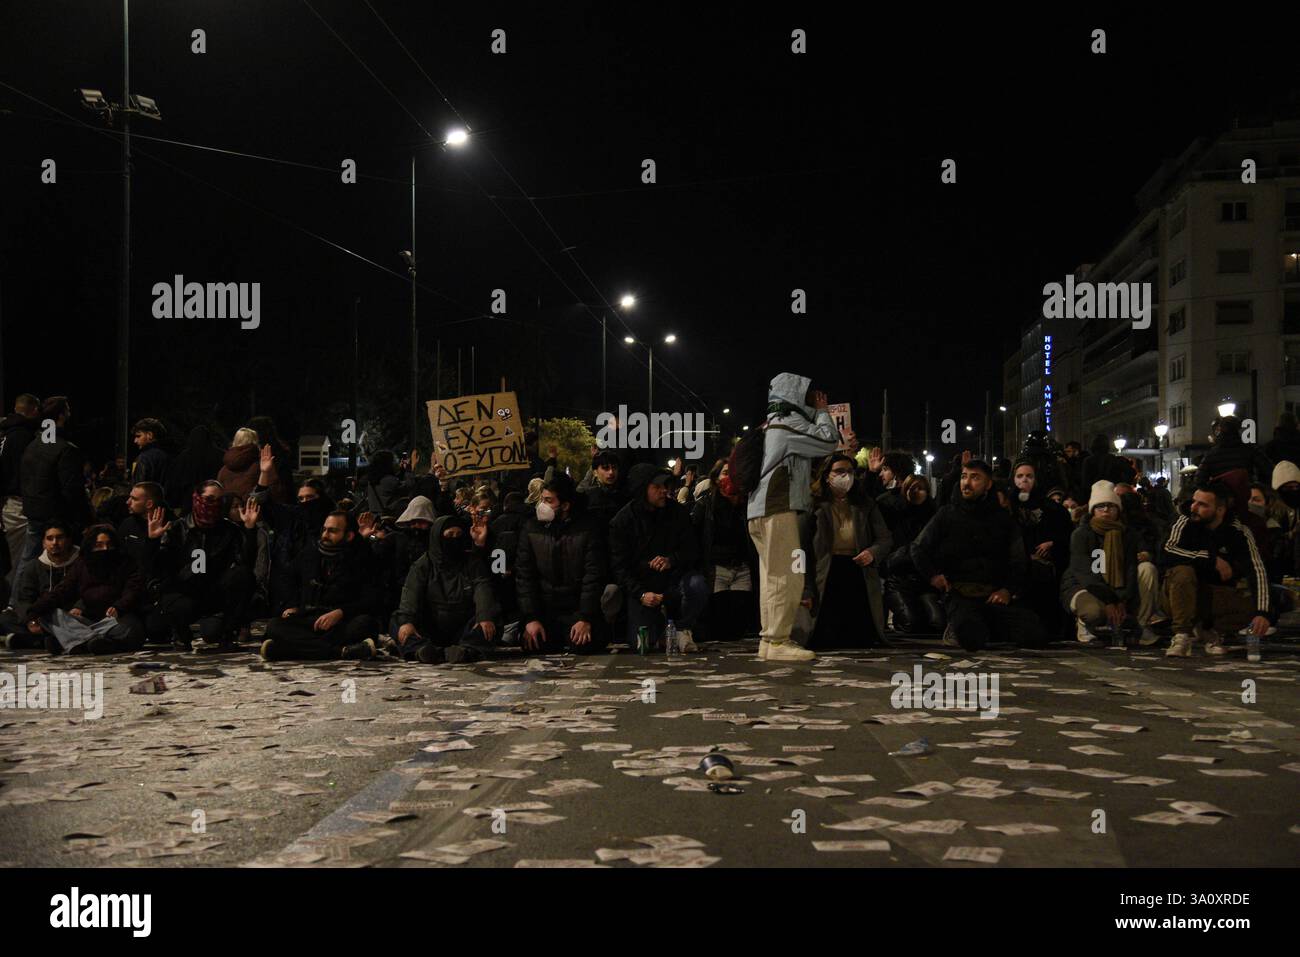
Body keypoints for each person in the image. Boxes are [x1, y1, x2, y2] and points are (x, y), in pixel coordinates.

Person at [747, 373, 841, 662]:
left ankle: (769, 639)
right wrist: (823, 414)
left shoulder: (771, 424)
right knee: (787, 576)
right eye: (808, 396)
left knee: (771, 575)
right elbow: (827, 442)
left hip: (761, 508)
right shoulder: (788, 424)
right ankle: (777, 641)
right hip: (778, 506)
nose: (814, 399)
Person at [911, 459, 1044, 652]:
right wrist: (933, 576)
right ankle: (959, 626)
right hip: (959, 593)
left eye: (975, 478)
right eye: (964, 476)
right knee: (971, 636)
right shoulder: (946, 515)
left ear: (988, 484)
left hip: (993, 595)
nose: (967, 482)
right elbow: (918, 548)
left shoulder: (1002, 519)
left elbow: (1018, 560)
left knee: (1034, 634)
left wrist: (1007, 590)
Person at [1161, 481, 1271, 657]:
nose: (1193, 507)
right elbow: (1167, 551)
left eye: (1202, 504)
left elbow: (1257, 569)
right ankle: (1182, 634)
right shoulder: (1184, 522)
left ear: (1220, 510)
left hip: (1214, 593)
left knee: (1269, 602)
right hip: (1178, 594)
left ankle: (1208, 630)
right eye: (1194, 501)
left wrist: (1262, 612)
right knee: (1183, 571)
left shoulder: (1239, 532)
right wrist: (1210, 559)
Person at [796, 454, 892, 649]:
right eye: (839, 471)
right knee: (826, 637)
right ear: (826, 475)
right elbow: (800, 547)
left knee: (859, 639)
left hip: (857, 569)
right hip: (826, 572)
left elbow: (885, 538)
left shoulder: (865, 504)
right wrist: (804, 588)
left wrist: (872, 552)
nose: (846, 476)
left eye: (850, 472)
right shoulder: (811, 505)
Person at [610, 464, 707, 653]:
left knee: (697, 585)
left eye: (666, 486)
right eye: (657, 487)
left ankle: (682, 627)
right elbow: (619, 567)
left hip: (673, 580)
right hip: (642, 585)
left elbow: (692, 550)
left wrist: (671, 560)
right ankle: (660, 629)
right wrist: (641, 594)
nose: (664, 491)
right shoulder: (622, 521)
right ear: (642, 489)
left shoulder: (677, 513)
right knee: (643, 643)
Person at [152, 480, 259, 649]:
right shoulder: (177, 528)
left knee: (242, 577)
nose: (214, 505)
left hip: (215, 592)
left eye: (219, 500)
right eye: (209, 499)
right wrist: (153, 541)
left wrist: (249, 529)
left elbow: (245, 564)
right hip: (184, 592)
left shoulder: (229, 530)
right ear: (197, 498)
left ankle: (228, 632)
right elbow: (157, 569)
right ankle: (180, 633)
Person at [261, 510, 381, 661]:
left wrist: (340, 612)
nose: (325, 535)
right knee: (274, 626)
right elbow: (288, 580)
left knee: (365, 624)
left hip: (342, 622)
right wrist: (292, 605)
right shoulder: (310, 554)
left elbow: (372, 599)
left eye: (332, 531)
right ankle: (342, 651)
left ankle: (285, 650)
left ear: (349, 536)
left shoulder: (362, 558)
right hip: (310, 619)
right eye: (324, 529)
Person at [515, 474, 608, 654]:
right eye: (542, 500)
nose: (542, 506)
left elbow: (593, 577)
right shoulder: (531, 529)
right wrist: (530, 618)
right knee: (534, 644)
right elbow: (525, 577)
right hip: (544, 610)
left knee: (584, 644)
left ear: (565, 505)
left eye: (548, 500)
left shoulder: (587, 529)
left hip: (576, 610)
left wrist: (585, 617)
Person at [391, 515, 500, 664]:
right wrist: (407, 621)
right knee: (398, 621)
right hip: (432, 625)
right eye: (449, 535)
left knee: (493, 620)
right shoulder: (424, 564)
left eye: (458, 535)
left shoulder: (472, 562)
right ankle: (421, 651)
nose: (454, 540)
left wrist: (484, 616)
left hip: (463, 626)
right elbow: (411, 593)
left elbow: (483, 587)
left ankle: (466, 650)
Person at [1060, 481, 1157, 647]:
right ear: (1093, 510)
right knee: (1094, 612)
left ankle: (1141, 625)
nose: (1105, 510)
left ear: (1118, 509)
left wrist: (1122, 599)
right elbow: (1085, 573)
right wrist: (1110, 601)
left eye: (1110, 506)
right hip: (1083, 585)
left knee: (1147, 568)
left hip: (1118, 587)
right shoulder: (1082, 534)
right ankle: (1085, 625)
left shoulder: (1127, 534)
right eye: (1100, 506)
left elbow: (1130, 569)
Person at [24, 524, 146, 655]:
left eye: (109, 545)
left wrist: (119, 606)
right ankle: (90, 641)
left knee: (131, 630)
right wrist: (34, 612)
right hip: (88, 618)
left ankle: (71, 640)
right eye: (99, 545)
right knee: (48, 614)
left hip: (115, 619)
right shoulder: (82, 564)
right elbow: (62, 590)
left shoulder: (125, 563)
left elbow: (133, 589)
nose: (105, 549)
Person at [19, 397, 93, 582]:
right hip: (57, 515)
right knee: (65, 562)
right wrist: (86, 519)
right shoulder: (65, 449)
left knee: (29, 558)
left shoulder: (33, 445)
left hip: (33, 511)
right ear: (61, 415)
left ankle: (16, 601)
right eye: (67, 410)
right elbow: (72, 490)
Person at [692, 459, 758, 642]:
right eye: (726, 472)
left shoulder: (747, 503)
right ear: (716, 477)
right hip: (717, 567)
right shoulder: (706, 504)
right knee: (720, 616)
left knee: (738, 617)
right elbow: (696, 534)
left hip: (742, 566)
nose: (731, 477)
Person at [1009, 459, 1073, 640]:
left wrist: (1053, 543)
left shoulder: (1053, 509)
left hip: (1047, 565)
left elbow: (1067, 536)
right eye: (1019, 476)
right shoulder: (1008, 507)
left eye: (1029, 476)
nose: (1024, 480)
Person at [878, 474, 945, 635]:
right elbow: (877, 501)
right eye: (910, 488)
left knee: (938, 623)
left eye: (920, 488)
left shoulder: (933, 515)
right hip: (900, 580)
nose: (915, 492)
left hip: (925, 581)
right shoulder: (896, 513)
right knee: (912, 624)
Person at [0, 521, 78, 649]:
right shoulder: (34, 566)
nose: (54, 543)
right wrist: (31, 620)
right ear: (43, 542)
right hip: (41, 616)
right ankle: (48, 640)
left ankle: (39, 641)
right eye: (50, 538)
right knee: (5, 619)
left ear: (68, 540)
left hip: (69, 615)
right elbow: (24, 598)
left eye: (59, 538)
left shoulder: (80, 562)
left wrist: (78, 607)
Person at [1, 393, 41, 586]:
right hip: (18, 503)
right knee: (17, 559)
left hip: (7, 504)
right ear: (34, 411)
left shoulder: (5, 433)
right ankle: (11, 604)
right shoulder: (23, 436)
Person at [165, 425, 225, 511]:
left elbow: (175, 481)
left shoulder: (183, 457)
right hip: (213, 499)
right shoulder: (220, 455)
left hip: (189, 501)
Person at [217, 428, 265, 499]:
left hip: (230, 508)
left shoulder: (224, 470)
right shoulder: (261, 466)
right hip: (252, 508)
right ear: (255, 441)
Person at [130, 418, 172, 490]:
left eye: (138, 436)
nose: (135, 441)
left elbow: (138, 488)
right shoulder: (168, 456)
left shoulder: (144, 458)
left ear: (150, 435)